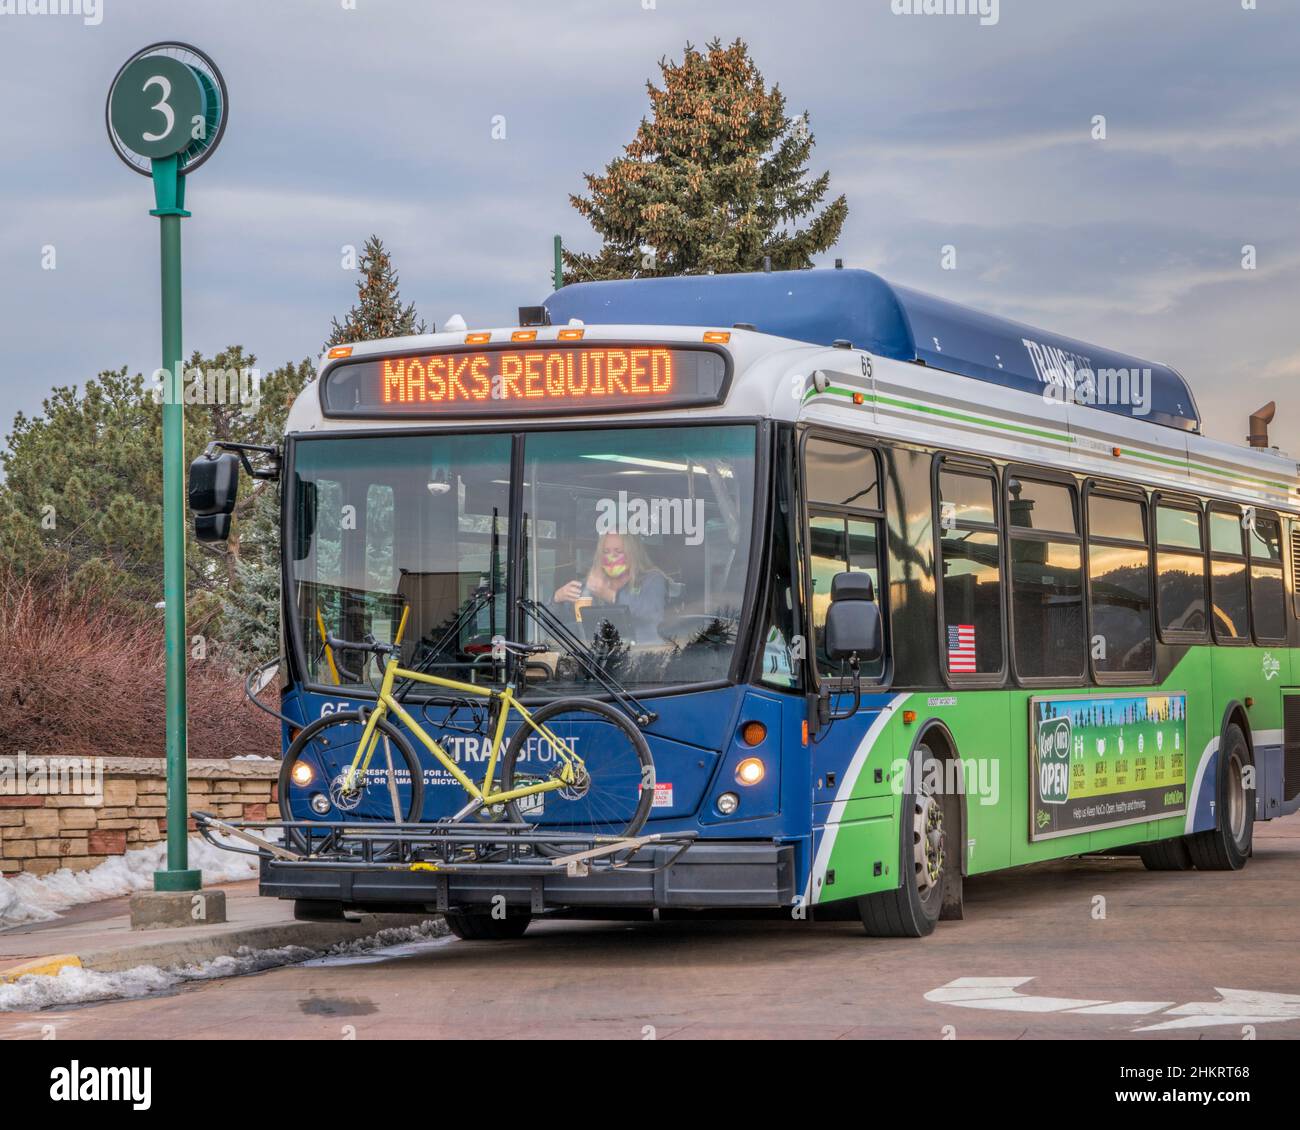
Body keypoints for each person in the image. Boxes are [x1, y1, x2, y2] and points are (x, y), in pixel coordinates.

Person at [552, 531, 668, 644]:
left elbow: (652, 612)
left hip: (645, 655)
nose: (612, 557)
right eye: (606, 552)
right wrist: (557, 599)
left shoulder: (652, 579)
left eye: (618, 551)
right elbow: (554, 623)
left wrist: (611, 595)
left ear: (633, 554)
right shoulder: (592, 584)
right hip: (596, 658)